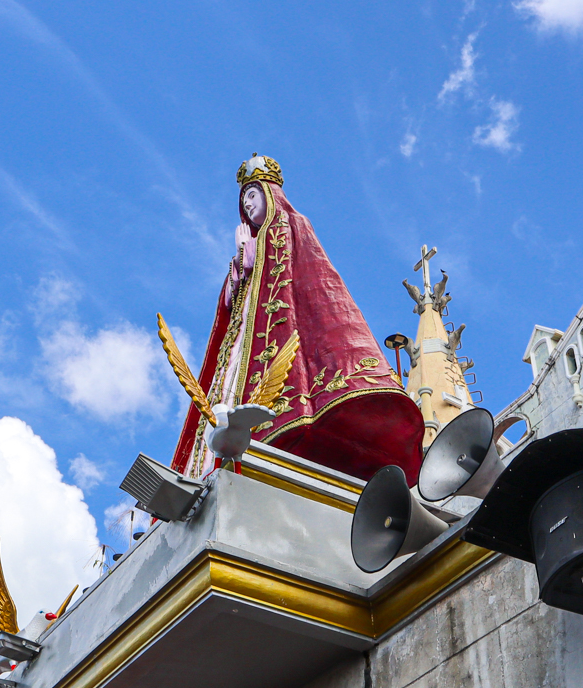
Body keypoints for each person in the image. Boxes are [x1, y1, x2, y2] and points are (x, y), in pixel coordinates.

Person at [170, 155, 423, 483]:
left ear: (269, 194)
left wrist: (257, 257)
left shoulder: (293, 224)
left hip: (276, 340)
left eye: (253, 196)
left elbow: (317, 287)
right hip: (242, 340)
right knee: (229, 389)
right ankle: (212, 462)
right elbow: (230, 308)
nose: (247, 205)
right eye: (243, 199)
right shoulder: (248, 246)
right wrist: (238, 268)